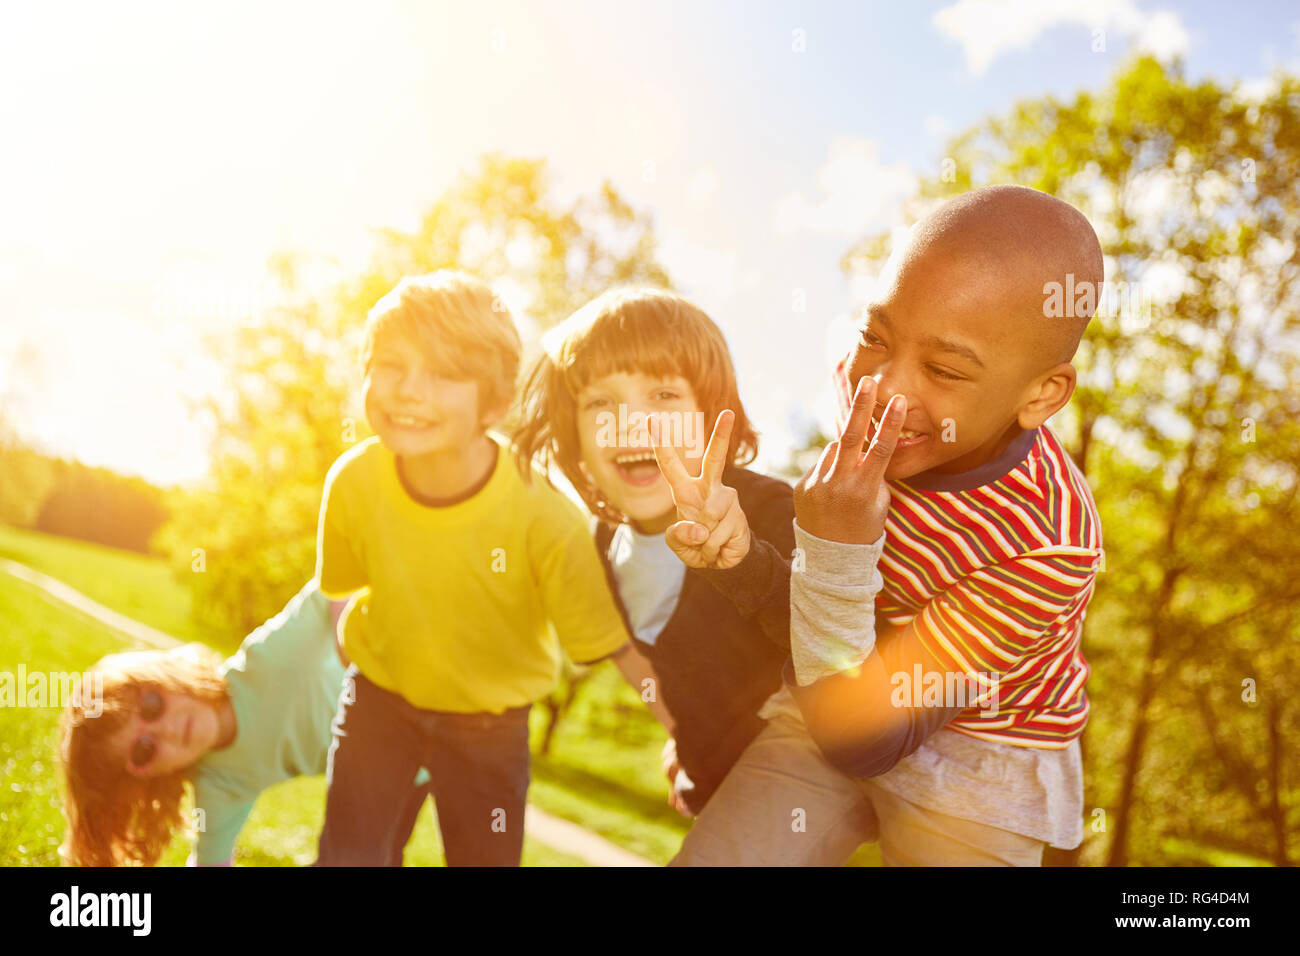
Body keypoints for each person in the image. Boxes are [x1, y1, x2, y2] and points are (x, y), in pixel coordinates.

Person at [654, 185, 1105, 866]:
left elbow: (862, 734)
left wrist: (837, 549)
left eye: (945, 369)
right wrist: (743, 558)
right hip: (837, 685)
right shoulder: (871, 403)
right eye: (876, 338)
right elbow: (822, 633)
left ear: (1040, 395)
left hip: (985, 755)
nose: (886, 390)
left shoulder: (1049, 539)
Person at [314, 271, 659, 867]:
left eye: (444, 373)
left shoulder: (544, 515)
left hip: (488, 730)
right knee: (349, 858)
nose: (407, 391)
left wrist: (689, 741)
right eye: (391, 364)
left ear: (495, 405)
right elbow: (341, 588)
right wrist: (367, 650)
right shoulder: (352, 481)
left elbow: (614, 645)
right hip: (379, 706)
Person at [514, 289, 793, 815]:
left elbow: (833, 640)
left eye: (663, 395)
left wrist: (747, 564)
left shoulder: (772, 512)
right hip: (711, 790)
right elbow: (637, 657)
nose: (631, 421)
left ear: (712, 414)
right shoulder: (602, 542)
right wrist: (683, 736)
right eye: (599, 402)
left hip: (796, 791)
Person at [58, 581, 426, 866]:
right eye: (144, 750)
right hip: (396, 780)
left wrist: (348, 643)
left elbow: (328, 588)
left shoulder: (262, 663)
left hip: (423, 707)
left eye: (152, 705)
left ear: (165, 676)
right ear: (149, 778)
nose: (166, 730)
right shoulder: (217, 785)